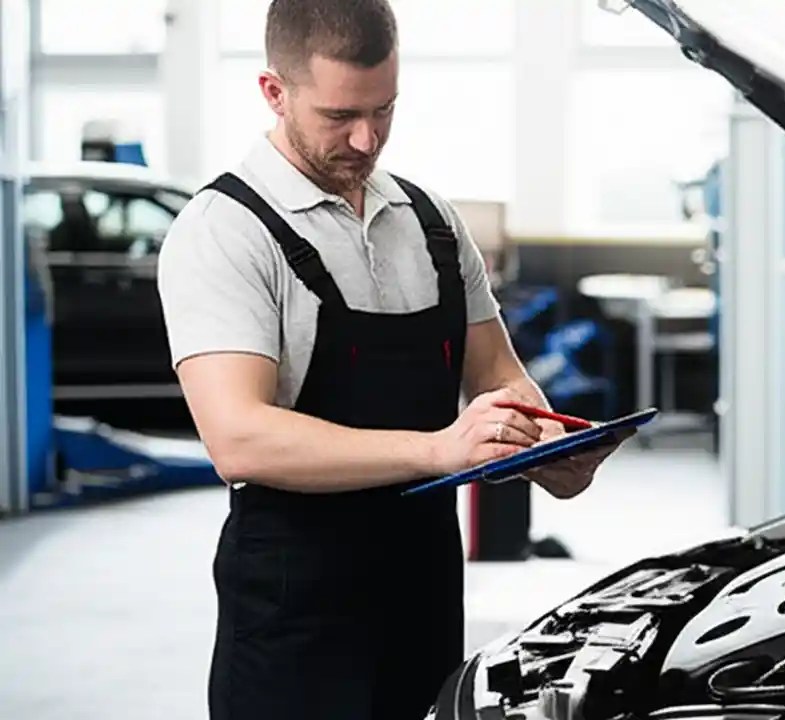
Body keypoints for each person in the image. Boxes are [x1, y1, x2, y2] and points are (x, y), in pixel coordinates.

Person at [155, 1, 629, 717]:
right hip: (296, 619)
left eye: (385, 109)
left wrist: (542, 443)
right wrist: (440, 451)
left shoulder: (431, 221)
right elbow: (238, 438)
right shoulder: (224, 231)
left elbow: (498, 372)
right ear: (273, 92)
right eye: (339, 114)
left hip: (423, 596)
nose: (365, 137)